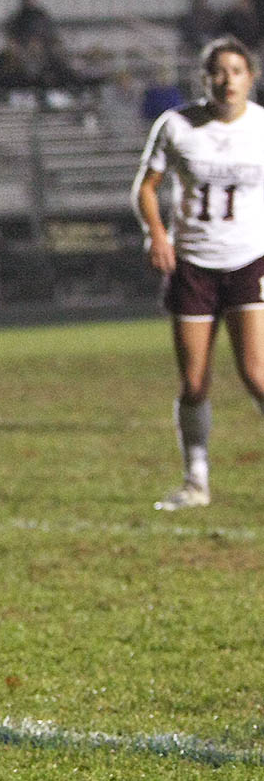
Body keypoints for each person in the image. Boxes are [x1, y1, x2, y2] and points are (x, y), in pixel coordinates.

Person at [132, 37, 264, 511]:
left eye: (236, 70)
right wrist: (158, 235)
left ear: (251, 76)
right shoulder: (177, 125)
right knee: (193, 382)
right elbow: (146, 188)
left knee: (257, 374)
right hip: (193, 263)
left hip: (251, 261)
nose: (228, 80)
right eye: (218, 72)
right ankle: (196, 481)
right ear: (205, 79)